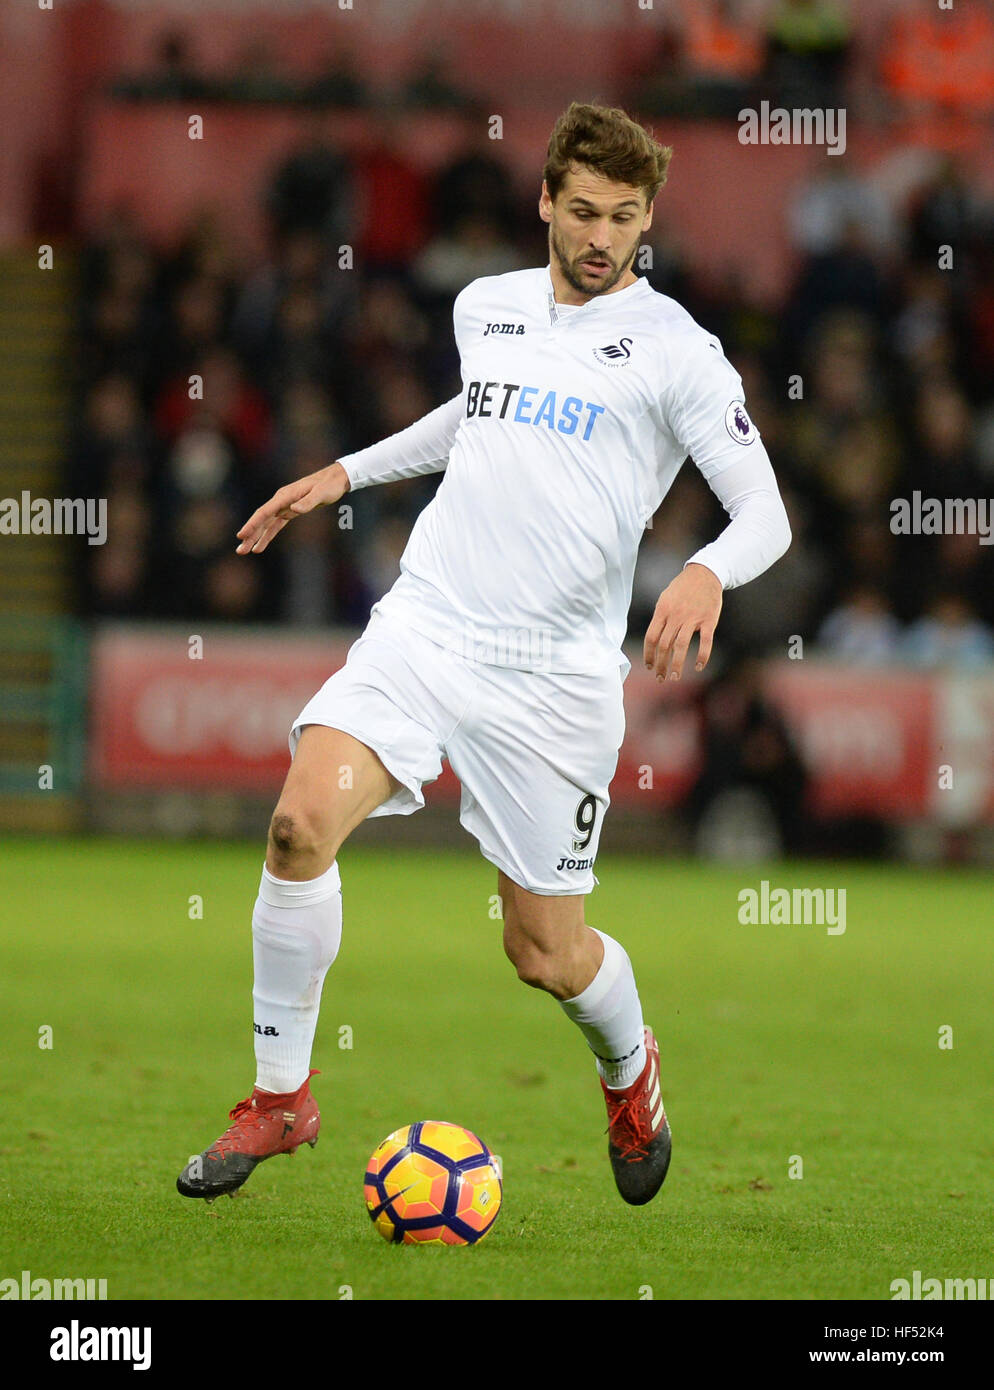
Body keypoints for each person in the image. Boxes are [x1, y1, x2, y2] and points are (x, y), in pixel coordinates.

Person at [176, 102, 791, 1209]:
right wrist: (347, 474)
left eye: (627, 218)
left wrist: (703, 571)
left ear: (647, 216)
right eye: (586, 212)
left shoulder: (677, 351)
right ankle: (280, 1098)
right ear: (545, 201)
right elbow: (481, 415)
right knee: (297, 821)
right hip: (430, 622)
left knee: (544, 954)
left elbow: (763, 515)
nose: (605, 238)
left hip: (554, 674)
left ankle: (628, 1066)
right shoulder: (485, 306)